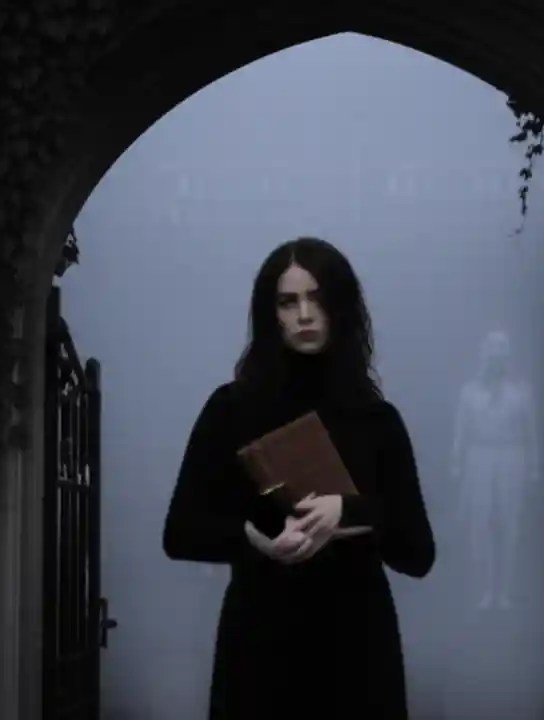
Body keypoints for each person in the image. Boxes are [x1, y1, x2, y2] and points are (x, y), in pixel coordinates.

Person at [162, 236, 436, 720]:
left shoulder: (377, 419)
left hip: (357, 647)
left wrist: (345, 512)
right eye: (289, 302)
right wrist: (256, 540)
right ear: (271, 314)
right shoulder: (232, 409)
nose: (305, 314)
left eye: (318, 298)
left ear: (342, 308)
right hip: (260, 640)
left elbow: (418, 552)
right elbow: (181, 532)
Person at [449, 330, 541, 610]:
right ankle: (486, 590)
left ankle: (505, 591)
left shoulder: (522, 392)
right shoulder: (469, 392)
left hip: (513, 455)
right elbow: (460, 431)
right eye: (491, 356)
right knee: (481, 525)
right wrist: (457, 462)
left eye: (500, 356)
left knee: (509, 525)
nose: (496, 361)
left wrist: (534, 467)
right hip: (480, 456)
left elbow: (531, 433)